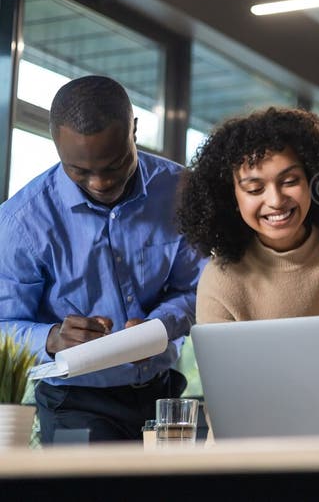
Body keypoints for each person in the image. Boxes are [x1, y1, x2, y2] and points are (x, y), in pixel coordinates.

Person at [0, 76, 204, 443]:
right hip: (73, 403)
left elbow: (199, 289)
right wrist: (51, 338)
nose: (99, 183)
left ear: (134, 130)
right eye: (79, 170)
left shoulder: (180, 192)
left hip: (162, 395)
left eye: (114, 165)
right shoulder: (22, 222)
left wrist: (158, 326)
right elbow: (3, 325)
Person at [177, 107, 319, 324]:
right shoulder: (221, 282)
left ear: (313, 179)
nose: (276, 201)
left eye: (290, 181)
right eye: (254, 189)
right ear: (231, 197)